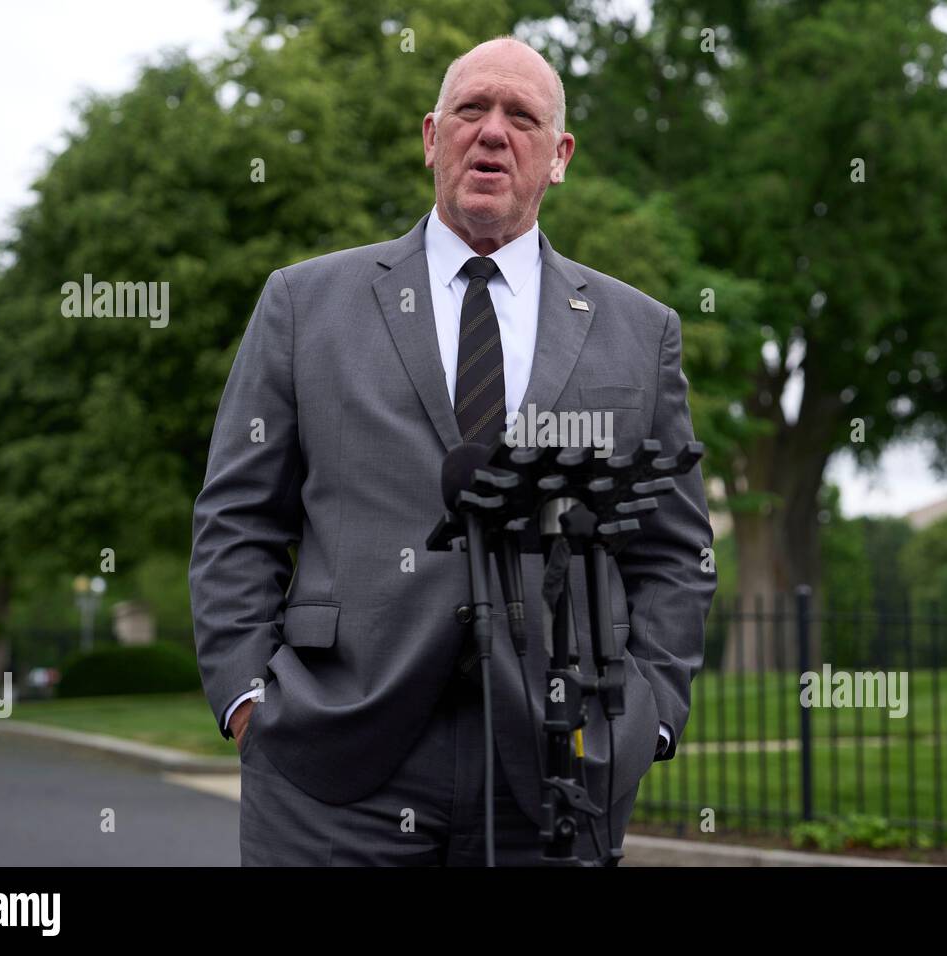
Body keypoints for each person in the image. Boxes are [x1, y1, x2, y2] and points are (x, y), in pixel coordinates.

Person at [189, 35, 715, 866]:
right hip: (332, 763)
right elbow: (236, 518)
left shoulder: (639, 332)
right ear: (433, 136)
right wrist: (249, 696)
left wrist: (645, 717)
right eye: (472, 110)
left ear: (560, 155)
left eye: (522, 117)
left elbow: (677, 551)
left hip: (556, 762)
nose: (494, 132)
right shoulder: (302, 302)